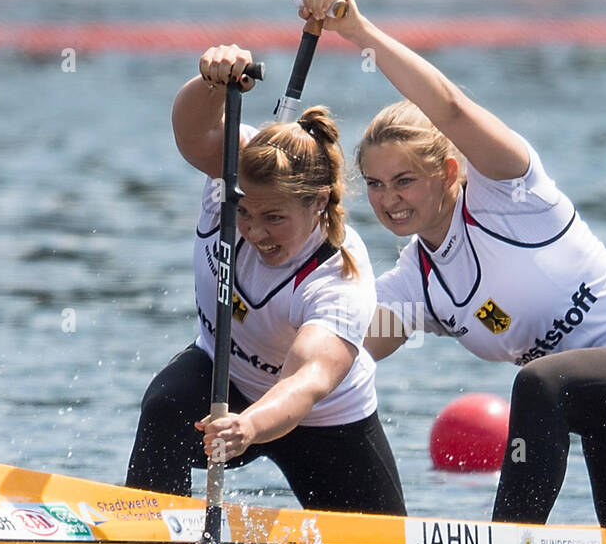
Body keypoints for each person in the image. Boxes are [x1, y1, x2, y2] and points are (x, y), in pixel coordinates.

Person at [297, 0, 606, 528]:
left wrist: (358, 31)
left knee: (539, 384)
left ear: (449, 172)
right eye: (374, 184)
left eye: (405, 180)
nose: (388, 200)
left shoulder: (511, 193)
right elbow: (338, 352)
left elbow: (452, 108)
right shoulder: (416, 285)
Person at [125, 44, 406, 516]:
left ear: (317, 203)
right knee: (165, 406)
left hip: (325, 422)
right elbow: (192, 132)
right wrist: (212, 83)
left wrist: (249, 427)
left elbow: (309, 379)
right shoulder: (233, 175)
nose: (254, 232)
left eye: (274, 218)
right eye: (246, 213)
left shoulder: (338, 275)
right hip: (224, 379)